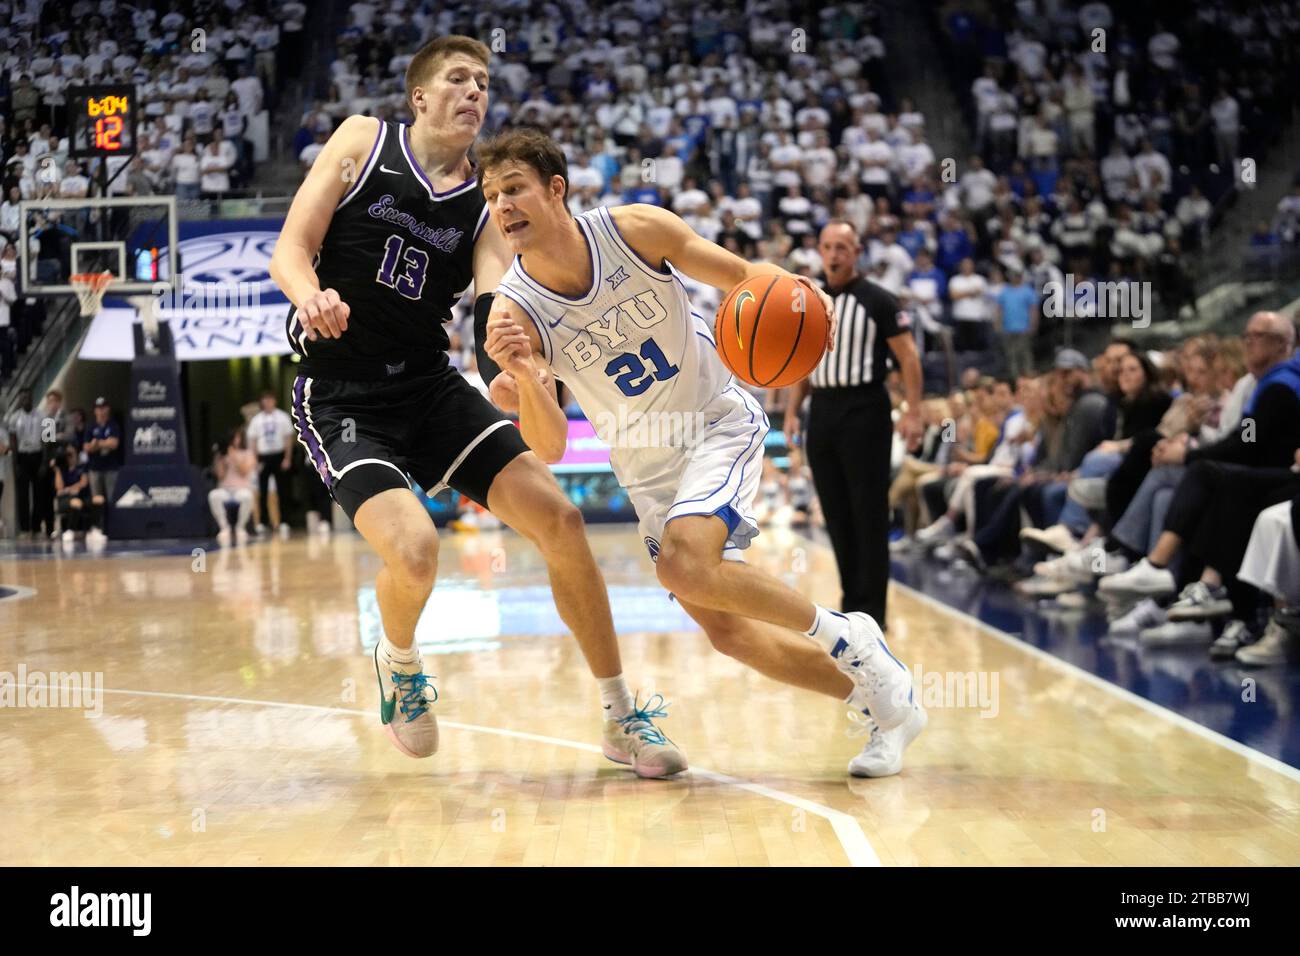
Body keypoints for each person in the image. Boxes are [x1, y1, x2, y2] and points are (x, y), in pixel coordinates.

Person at [269, 36, 684, 776]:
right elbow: (290, 249)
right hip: (339, 393)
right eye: (458, 79)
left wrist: (508, 362)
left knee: (560, 518)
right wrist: (311, 296)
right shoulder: (363, 141)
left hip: (428, 385)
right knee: (417, 550)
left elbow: (496, 295)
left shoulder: (484, 204)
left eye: (484, 82)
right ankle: (397, 662)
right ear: (419, 97)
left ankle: (622, 716)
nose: (475, 93)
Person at [478, 128, 924, 778]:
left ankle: (850, 636)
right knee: (728, 632)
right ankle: (886, 705)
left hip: (712, 422)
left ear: (555, 188)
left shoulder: (634, 230)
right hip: (646, 472)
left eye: (513, 188)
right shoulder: (515, 311)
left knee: (684, 566)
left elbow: (745, 277)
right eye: (491, 196)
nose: (502, 206)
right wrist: (520, 372)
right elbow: (546, 445)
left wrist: (807, 297)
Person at [784, 221, 924, 627]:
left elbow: (909, 358)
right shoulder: (810, 299)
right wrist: (794, 409)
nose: (834, 254)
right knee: (835, 510)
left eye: (842, 247)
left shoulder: (878, 299)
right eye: (827, 246)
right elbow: (805, 360)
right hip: (822, 409)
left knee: (868, 512)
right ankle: (852, 604)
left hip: (865, 408)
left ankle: (873, 613)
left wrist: (914, 411)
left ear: (857, 251)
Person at [246, 390, 295, 536]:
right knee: (263, 490)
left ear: (274, 401)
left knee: (283, 490)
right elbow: (253, 441)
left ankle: (285, 521)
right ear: (262, 402)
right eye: (265, 400)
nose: (267, 402)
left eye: (270, 399)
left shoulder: (282, 417)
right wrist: (254, 459)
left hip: (279, 456)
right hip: (263, 457)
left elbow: (288, 439)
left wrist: (287, 458)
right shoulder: (257, 420)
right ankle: (262, 522)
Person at [5, 389, 47, 540]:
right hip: (22, 458)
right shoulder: (13, 418)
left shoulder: (44, 416)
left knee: (39, 494)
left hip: (38, 456)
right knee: (22, 495)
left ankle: (36, 528)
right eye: (22, 398)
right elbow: (13, 442)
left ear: (32, 398)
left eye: (28, 397)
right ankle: (24, 529)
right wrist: (15, 463)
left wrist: (44, 462)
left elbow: (48, 440)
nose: (25, 400)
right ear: (19, 399)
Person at [209, 428, 256, 546]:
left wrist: (234, 457)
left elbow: (244, 471)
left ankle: (241, 527)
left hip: (241, 489)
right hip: (225, 489)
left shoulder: (247, 453)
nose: (237, 440)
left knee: (247, 496)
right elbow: (220, 475)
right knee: (214, 495)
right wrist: (219, 458)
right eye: (235, 438)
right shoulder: (222, 455)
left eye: (238, 437)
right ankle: (224, 528)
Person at [84, 398, 122, 524]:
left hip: (110, 467)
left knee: (112, 498)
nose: (101, 411)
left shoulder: (113, 425)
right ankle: (98, 526)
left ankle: (113, 525)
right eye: (98, 408)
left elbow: (114, 444)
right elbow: (87, 447)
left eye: (103, 408)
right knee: (97, 499)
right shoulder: (91, 426)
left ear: (108, 409)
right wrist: (103, 444)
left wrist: (98, 443)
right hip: (95, 467)